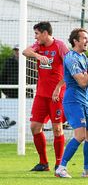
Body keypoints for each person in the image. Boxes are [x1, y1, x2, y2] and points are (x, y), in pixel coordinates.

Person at [55, 28, 88, 178]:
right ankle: (61, 168)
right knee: (80, 134)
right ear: (75, 41)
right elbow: (83, 81)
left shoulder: (82, 56)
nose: (87, 41)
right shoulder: (71, 58)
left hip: (83, 101)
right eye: (84, 38)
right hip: (73, 101)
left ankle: (87, 171)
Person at [23, 21, 68, 172]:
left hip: (57, 95)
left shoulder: (60, 46)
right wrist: (37, 55)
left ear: (45, 33)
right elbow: (25, 52)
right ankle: (43, 163)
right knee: (35, 127)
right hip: (41, 95)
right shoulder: (38, 46)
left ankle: (59, 164)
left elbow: (70, 68)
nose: (35, 37)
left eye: (37, 34)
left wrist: (58, 88)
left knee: (57, 129)